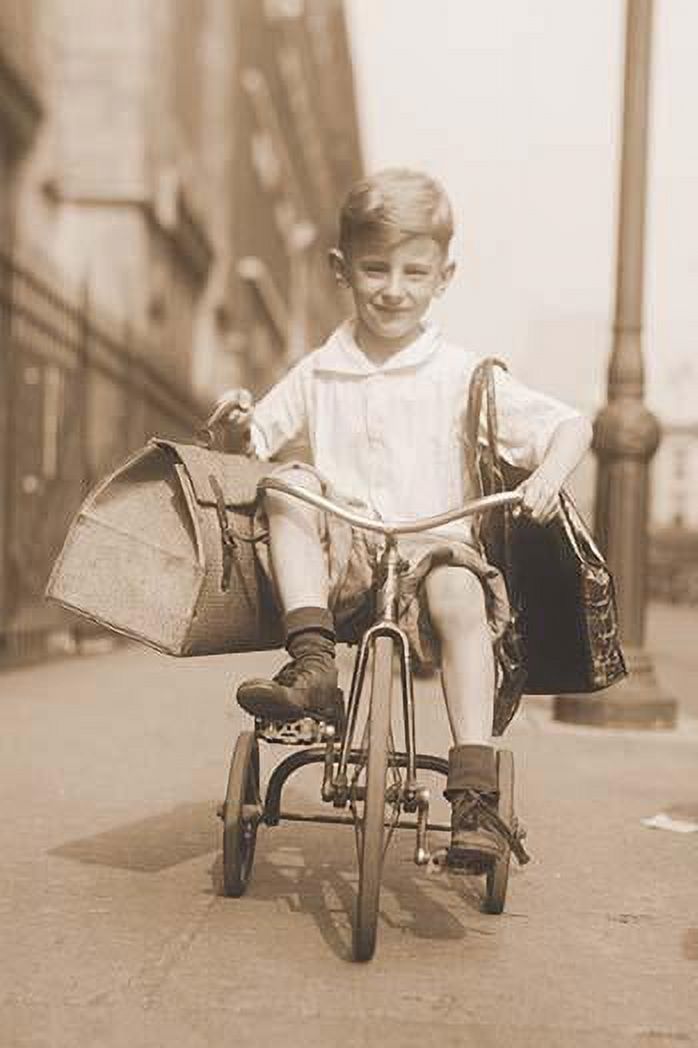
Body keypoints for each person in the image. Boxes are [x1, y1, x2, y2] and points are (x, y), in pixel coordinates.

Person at [222, 168, 592, 868]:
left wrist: (547, 475)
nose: (394, 288)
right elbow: (254, 443)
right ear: (342, 269)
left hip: (433, 549)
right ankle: (312, 666)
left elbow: (571, 426)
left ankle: (474, 787)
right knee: (288, 482)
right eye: (374, 268)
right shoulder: (319, 371)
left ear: (443, 278)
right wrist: (241, 420)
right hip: (348, 556)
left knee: (459, 592)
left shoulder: (461, 372)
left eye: (414, 271)